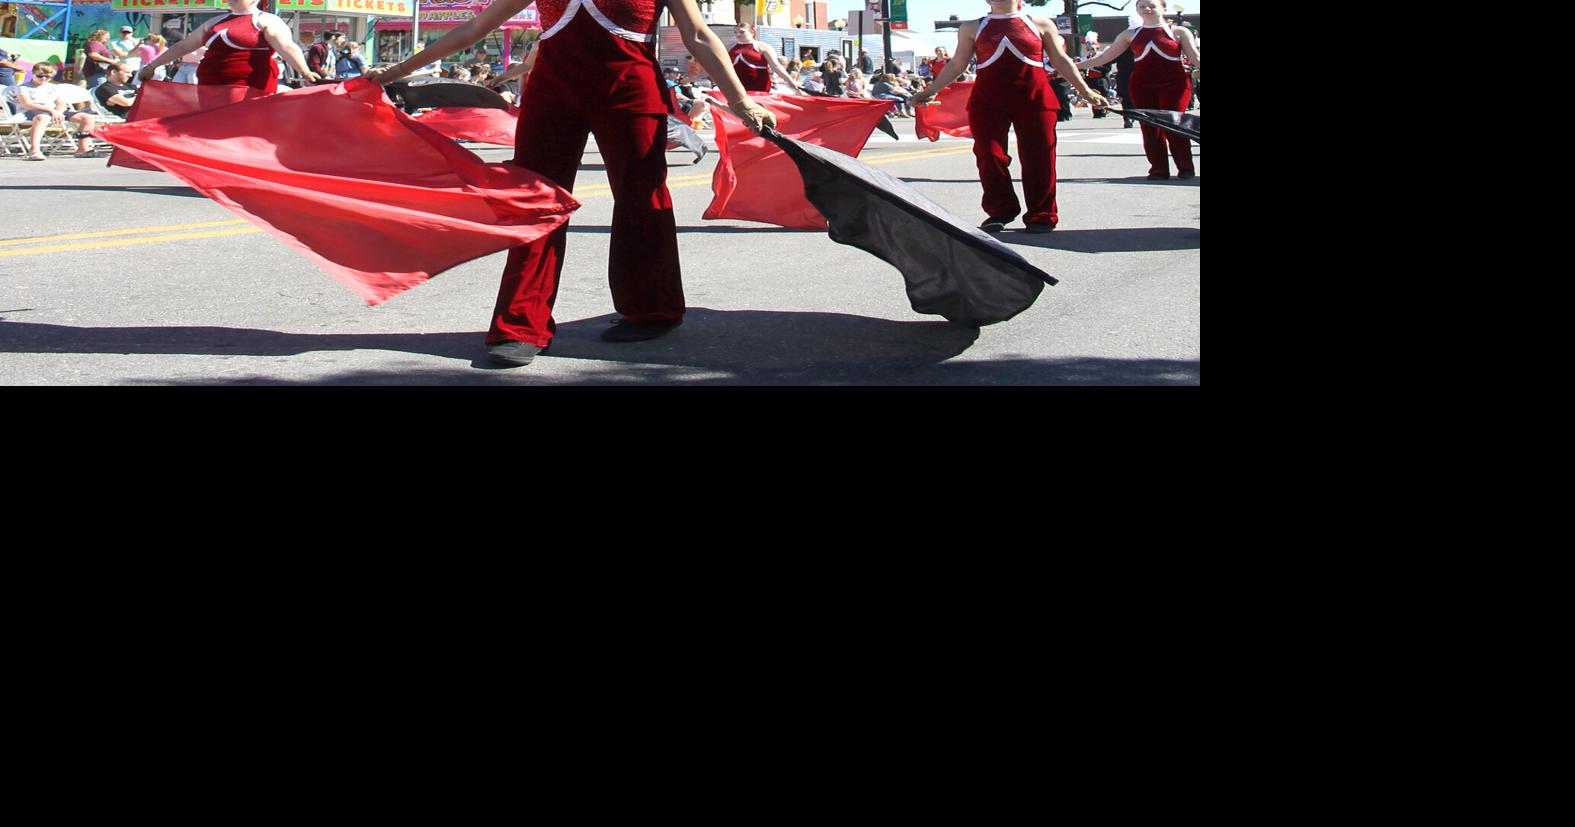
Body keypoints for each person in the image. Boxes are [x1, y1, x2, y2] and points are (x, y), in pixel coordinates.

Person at [365, 0, 777, 367]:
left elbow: (698, 34)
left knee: (641, 198)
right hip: (552, 90)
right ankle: (521, 324)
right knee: (536, 200)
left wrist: (741, 100)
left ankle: (653, 309)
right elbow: (475, 28)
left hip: (631, 88)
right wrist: (397, 72)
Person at [909, 0, 1109, 233]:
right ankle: (1000, 210)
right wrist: (929, 91)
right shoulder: (972, 27)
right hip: (988, 101)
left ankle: (1042, 214)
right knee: (989, 154)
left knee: (1040, 156)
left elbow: (1060, 60)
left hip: (1035, 99)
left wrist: (1085, 91)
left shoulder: (1040, 23)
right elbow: (957, 65)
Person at [1076, 0, 1199, 178]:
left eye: (1152, 5)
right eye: (1142, 6)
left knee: (1174, 124)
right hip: (1141, 86)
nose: (1147, 9)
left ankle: (1185, 167)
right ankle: (1158, 169)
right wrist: (1070, 67)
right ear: (1137, 10)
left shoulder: (1178, 32)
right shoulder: (1130, 34)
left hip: (1174, 85)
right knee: (1149, 127)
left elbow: (1195, 58)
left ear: (1163, 8)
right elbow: (1104, 58)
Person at [136, 0, 320, 93]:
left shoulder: (266, 20)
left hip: (249, 87)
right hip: (210, 86)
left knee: (242, 132)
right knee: (213, 131)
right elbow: (184, 46)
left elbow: (286, 47)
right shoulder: (215, 21)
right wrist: (152, 66)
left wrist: (304, 71)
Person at [15, 62, 97, 159]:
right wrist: (51, 110)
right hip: (32, 110)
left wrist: (58, 112)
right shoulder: (24, 87)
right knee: (43, 118)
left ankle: (83, 148)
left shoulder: (52, 87)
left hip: (53, 110)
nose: (44, 79)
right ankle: (34, 150)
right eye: (40, 76)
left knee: (87, 118)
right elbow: (27, 104)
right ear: (32, 73)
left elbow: (61, 103)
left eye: (48, 77)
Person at [728, 22, 801, 93]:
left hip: (759, 87)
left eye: (742, 32)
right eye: (735, 32)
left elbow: (775, 66)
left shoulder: (762, 47)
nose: (738, 34)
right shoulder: (731, 48)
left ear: (752, 33)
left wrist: (791, 81)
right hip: (737, 87)